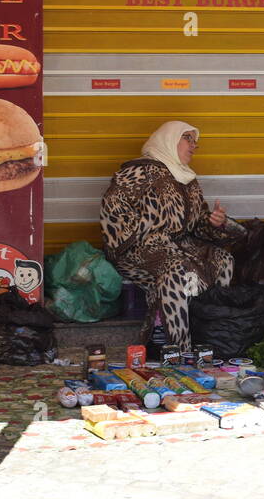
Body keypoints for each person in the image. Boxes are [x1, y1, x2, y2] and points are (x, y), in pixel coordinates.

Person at [100, 121, 245, 349]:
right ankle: (180, 349)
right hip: (138, 250)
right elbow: (112, 211)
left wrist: (217, 223)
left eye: (195, 141)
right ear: (169, 139)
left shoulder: (187, 179)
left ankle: (210, 334)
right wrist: (142, 232)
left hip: (179, 248)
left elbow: (196, 224)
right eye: (187, 138)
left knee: (222, 260)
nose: (194, 145)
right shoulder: (137, 173)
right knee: (177, 269)